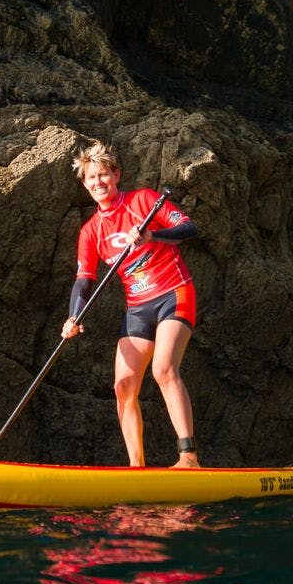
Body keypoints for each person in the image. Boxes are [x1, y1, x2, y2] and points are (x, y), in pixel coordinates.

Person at [61, 143, 201, 468]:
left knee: (164, 370)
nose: (98, 182)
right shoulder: (90, 231)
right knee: (123, 385)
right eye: (91, 178)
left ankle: (188, 456)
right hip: (138, 307)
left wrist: (153, 235)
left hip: (173, 293)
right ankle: (136, 467)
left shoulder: (144, 201)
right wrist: (73, 316)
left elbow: (188, 228)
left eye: (104, 175)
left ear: (116, 175)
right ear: (85, 184)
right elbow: (84, 280)